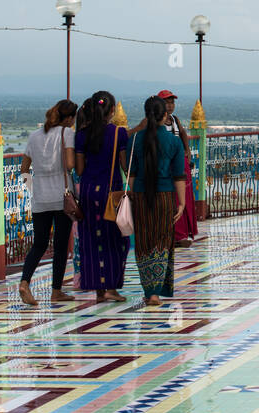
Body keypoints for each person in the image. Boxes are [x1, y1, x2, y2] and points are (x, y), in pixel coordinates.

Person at [128, 95, 186, 306]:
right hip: (165, 197)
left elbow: (131, 175)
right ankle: (156, 293)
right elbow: (179, 175)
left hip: (141, 197)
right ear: (164, 115)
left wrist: (136, 197)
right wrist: (182, 203)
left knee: (143, 242)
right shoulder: (173, 141)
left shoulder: (134, 140)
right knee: (162, 242)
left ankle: (148, 290)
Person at [18, 99, 78, 306]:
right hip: (62, 197)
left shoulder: (34, 136)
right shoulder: (67, 134)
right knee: (61, 246)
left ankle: (25, 282)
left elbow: (24, 168)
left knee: (39, 244)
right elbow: (70, 164)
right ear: (69, 118)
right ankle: (56, 291)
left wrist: (33, 190)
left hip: (40, 198)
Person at [74, 90, 130, 302]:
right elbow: (124, 166)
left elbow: (79, 170)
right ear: (112, 110)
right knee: (116, 241)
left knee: (91, 240)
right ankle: (112, 287)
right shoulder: (119, 134)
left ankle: (98, 289)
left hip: (88, 192)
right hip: (111, 192)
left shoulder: (81, 135)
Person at [157, 90, 199, 248]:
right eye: (167, 102)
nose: (170, 105)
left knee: (183, 199)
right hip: (166, 166)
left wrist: (187, 151)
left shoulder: (174, 120)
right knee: (171, 200)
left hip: (179, 164)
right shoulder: (154, 122)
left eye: (172, 102)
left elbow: (182, 133)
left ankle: (183, 233)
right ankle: (173, 235)